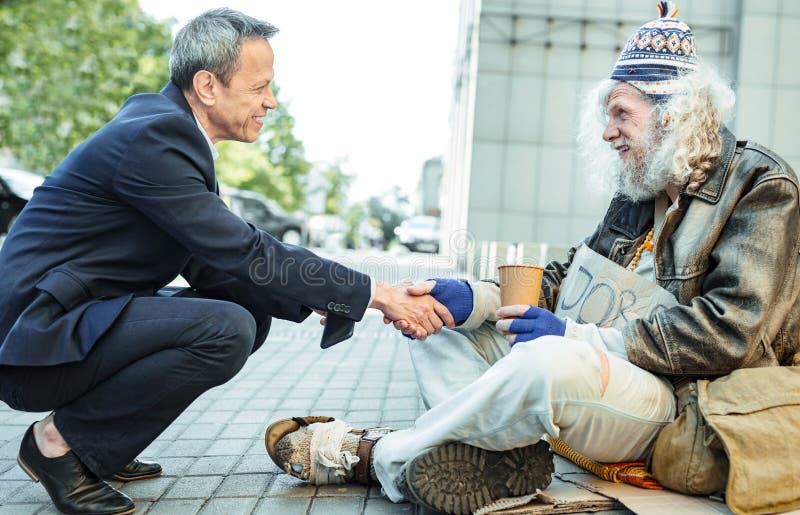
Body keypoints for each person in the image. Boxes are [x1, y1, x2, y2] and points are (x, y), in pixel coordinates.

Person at [267, 3, 800, 514]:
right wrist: (469, 300)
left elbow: (734, 332)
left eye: (621, 113)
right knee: (438, 327)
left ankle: (379, 457)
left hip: (678, 402)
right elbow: (567, 283)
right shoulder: (643, 189)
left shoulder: (760, 186)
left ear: (674, 115)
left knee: (544, 360)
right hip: (598, 371)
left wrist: (575, 337)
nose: (607, 131)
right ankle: (492, 464)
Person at [0, 8, 453, 515]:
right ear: (208, 85)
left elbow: (214, 266)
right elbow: (242, 248)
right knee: (224, 327)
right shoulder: (156, 138)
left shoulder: (166, 130)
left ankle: (102, 446)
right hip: (31, 342)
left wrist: (323, 298)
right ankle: (57, 444)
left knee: (245, 312)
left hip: (66, 326)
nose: (271, 101)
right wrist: (377, 293)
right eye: (259, 86)